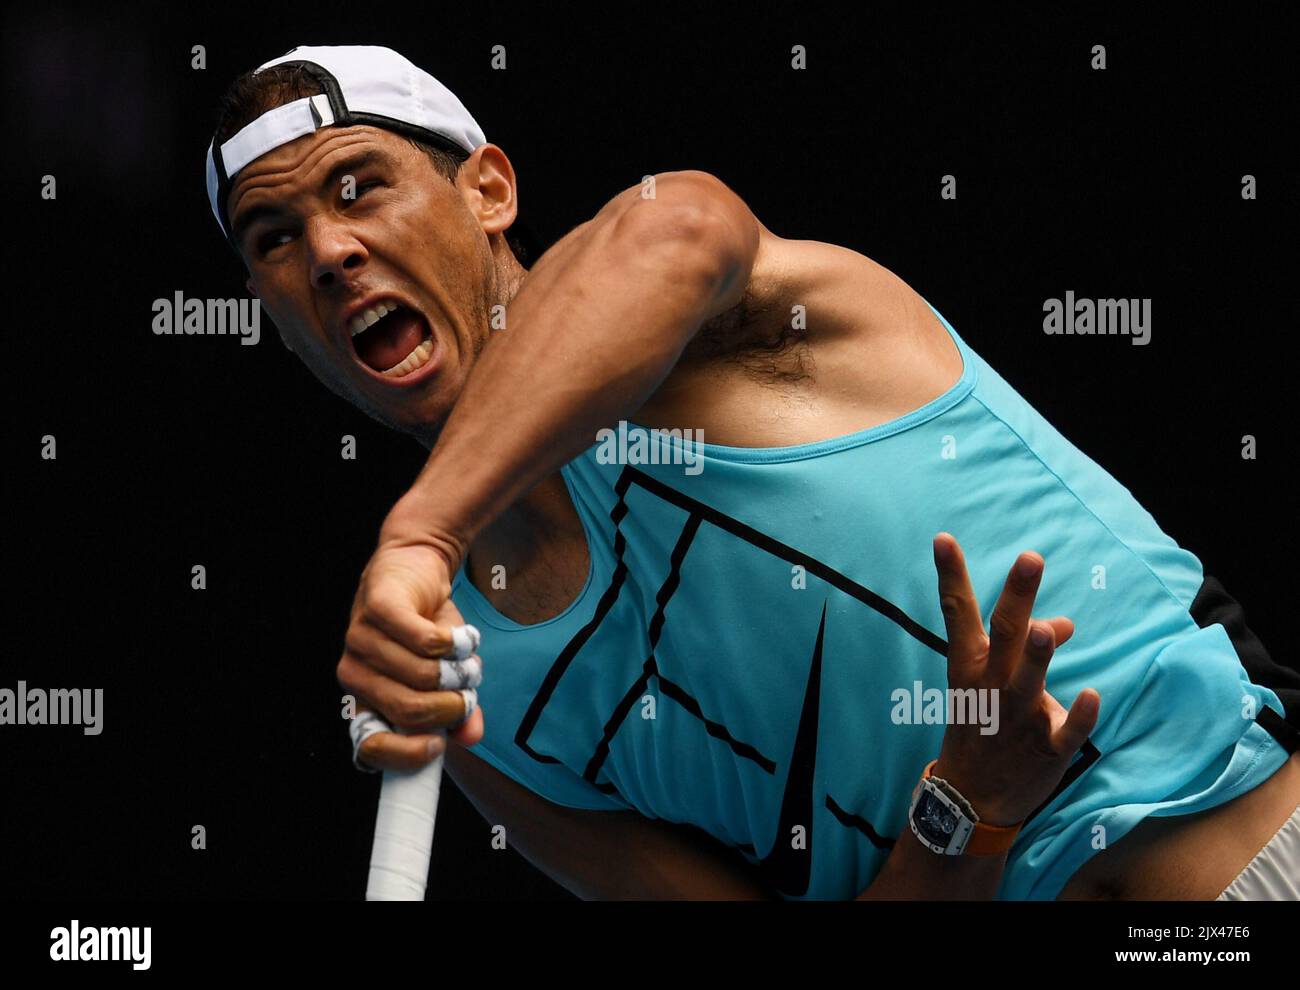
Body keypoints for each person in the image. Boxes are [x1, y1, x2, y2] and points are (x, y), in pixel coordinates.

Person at [206, 45, 1300, 899]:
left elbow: (676, 232)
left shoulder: (703, 317)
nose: (330, 251)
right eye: (273, 239)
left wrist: (420, 536)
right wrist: (966, 814)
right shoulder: (456, 687)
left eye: (360, 188)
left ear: (490, 190)